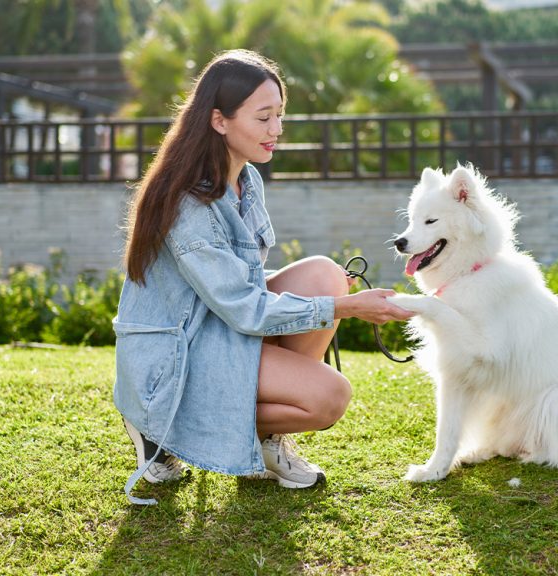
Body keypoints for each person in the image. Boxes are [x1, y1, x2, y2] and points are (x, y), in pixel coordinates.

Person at [113, 49, 414, 504]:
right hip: (178, 354)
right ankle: (160, 424)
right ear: (219, 120)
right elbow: (245, 308)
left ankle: (263, 442)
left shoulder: (247, 180)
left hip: (219, 325)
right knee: (330, 397)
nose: (277, 130)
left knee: (325, 275)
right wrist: (344, 309)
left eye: (280, 116)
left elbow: (238, 284)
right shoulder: (187, 205)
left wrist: (330, 297)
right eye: (263, 117)